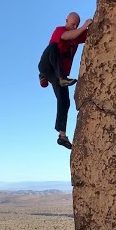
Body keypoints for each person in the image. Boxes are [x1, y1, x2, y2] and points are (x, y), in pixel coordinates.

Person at [37, 12, 92, 149]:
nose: (74, 27)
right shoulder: (60, 30)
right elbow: (67, 36)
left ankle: (62, 136)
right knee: (53, 47)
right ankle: (44, 75)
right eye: (72, 24)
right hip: (47, 65)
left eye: (76, 25)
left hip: (57, 75)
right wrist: (83, 27)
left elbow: (90, 33)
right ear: (66, 20)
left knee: (64, 101)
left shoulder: (76, 35)